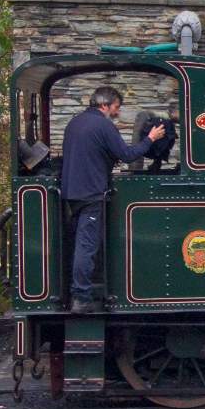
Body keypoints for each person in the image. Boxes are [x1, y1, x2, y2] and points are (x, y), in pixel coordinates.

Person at [61, 85, 166, 312]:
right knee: (87, 246)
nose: (117, 112)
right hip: (91, 193)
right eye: (116, 107)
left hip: (73, 191)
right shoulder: (103, 125)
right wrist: (151, 138)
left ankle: (79, 291)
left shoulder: (75, 123)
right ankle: (81, 298)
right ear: (104, 105)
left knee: (80, 243)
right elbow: (128, 155)